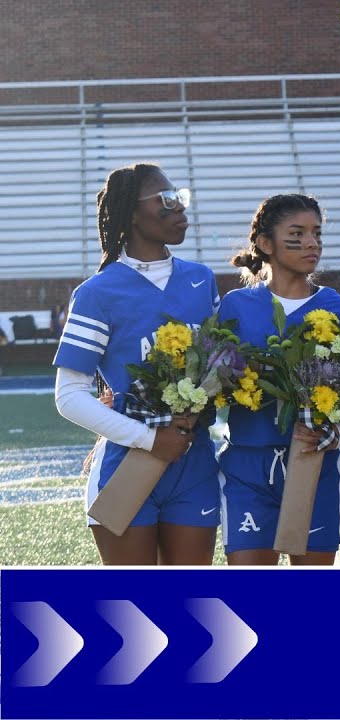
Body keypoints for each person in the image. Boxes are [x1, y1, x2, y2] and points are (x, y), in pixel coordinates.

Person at [52, 163, 220, 565]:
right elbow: (69, 396)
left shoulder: (202, 280)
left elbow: (219, 369)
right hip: (127, 464)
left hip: (193, 462)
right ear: (130, 213)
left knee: (192, 603)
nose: (180, 208)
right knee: (135, 607)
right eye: (166, 200)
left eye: (181, 197)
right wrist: (149, 439)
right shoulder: (97, 292)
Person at [217, 194, 340, 566]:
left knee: (310, 605)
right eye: (297, 233)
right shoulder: (232, 307)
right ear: (265, 244)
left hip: (316, 468)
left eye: (316, 232)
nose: (311, 242)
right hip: (246, 468)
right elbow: (207, 386)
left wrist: (336, 436)